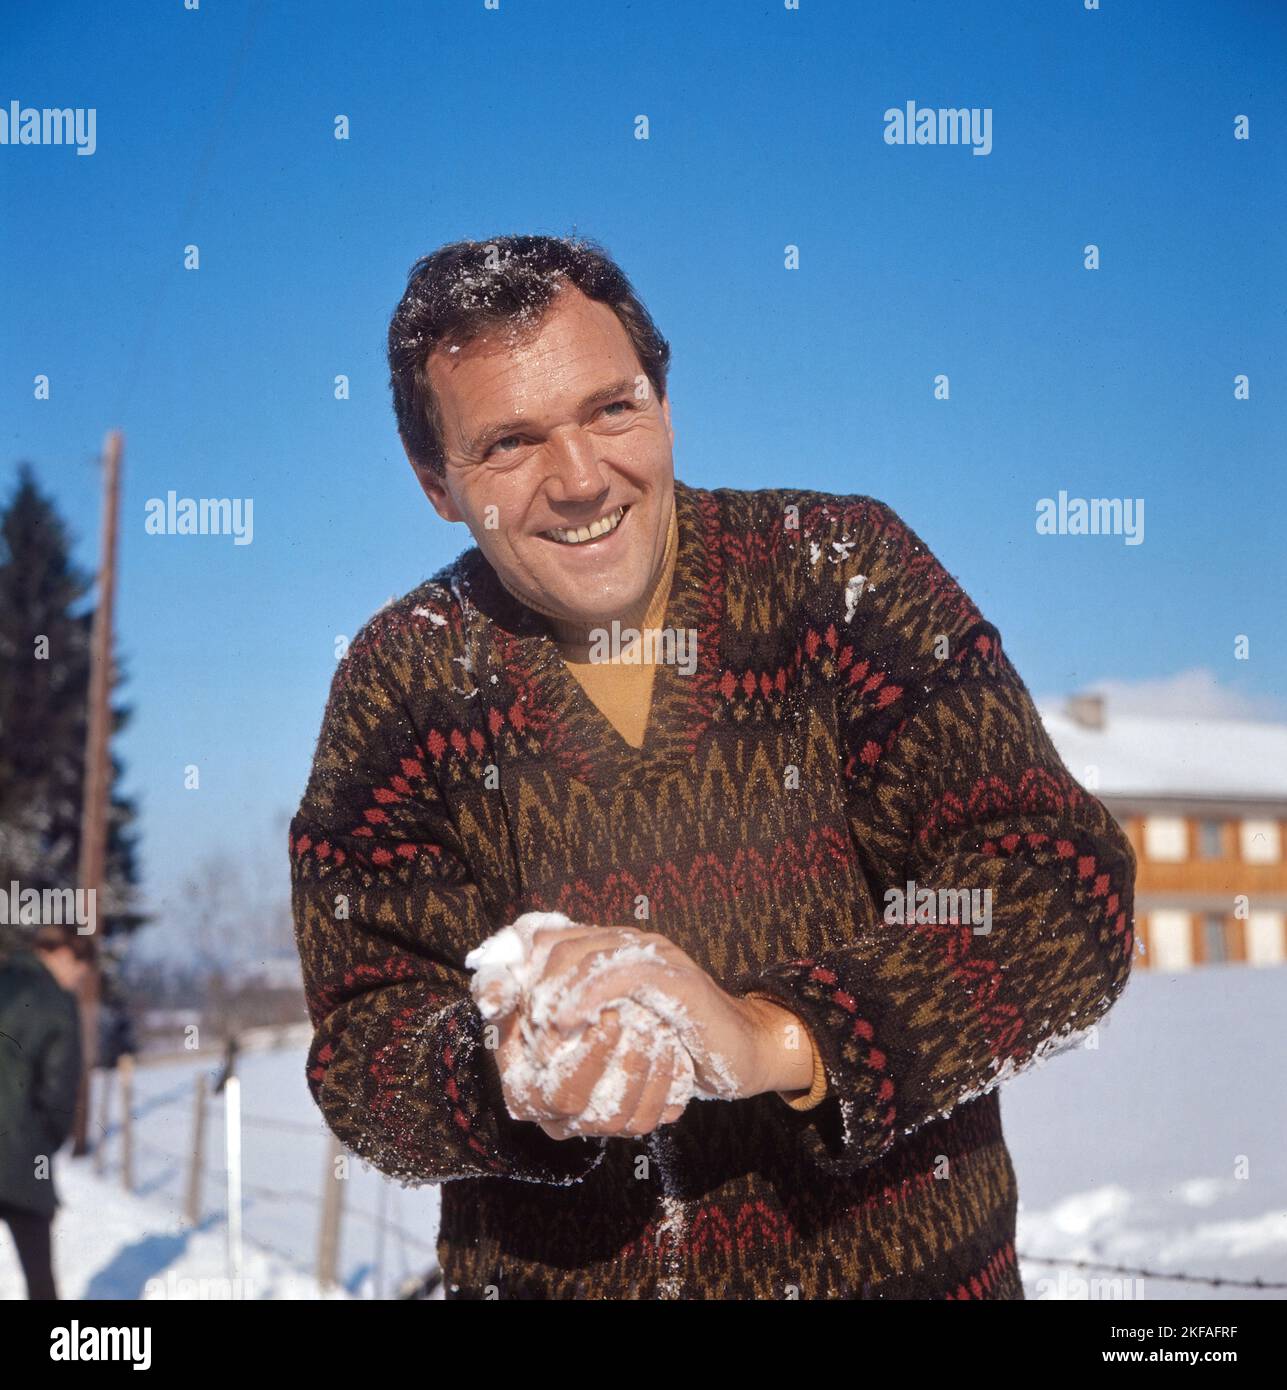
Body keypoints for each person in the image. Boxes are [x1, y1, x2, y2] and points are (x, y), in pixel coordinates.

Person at [289, 234, 1137, 1299]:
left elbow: (1064, 890)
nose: (581, 478)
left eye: (612, 408)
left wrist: (775, 1036)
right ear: (437, 483)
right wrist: (498, 1072)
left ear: (665, 401)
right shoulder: (401, 677)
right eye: (510, 443)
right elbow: (363, 1041)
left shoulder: (841, 576)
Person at [0, 924, 88, 1300]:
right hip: (21, 1154)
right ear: (65, 955)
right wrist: (46, 1140)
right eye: (78, 972)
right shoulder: (56, 1003)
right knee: (40, 1279)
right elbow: (60, 1090)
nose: (76, 981)